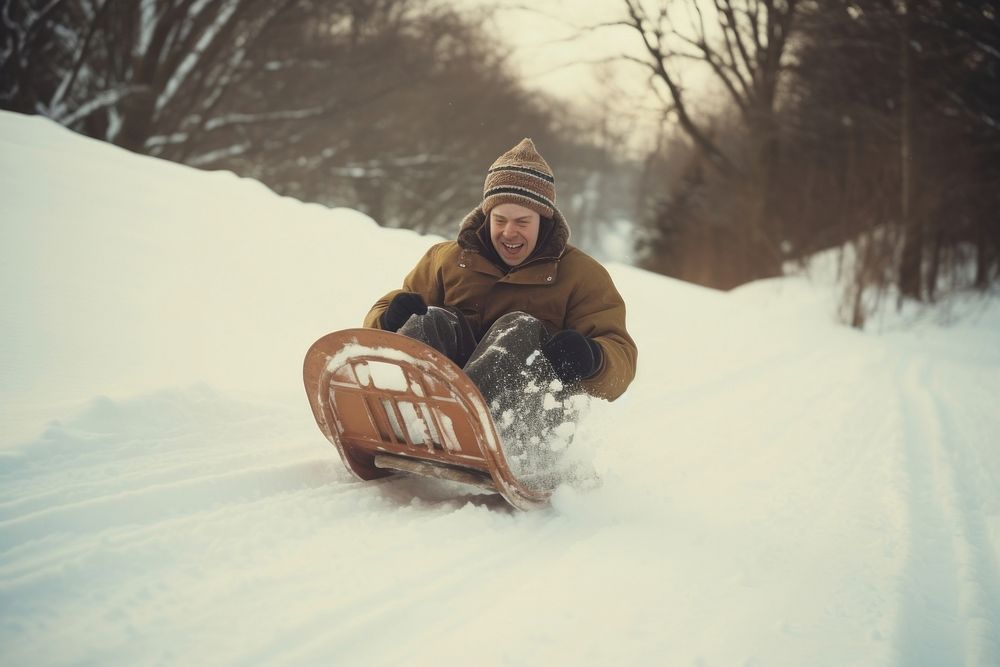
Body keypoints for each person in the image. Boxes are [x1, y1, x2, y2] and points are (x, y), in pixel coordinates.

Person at [363, 138, 637, 475]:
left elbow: (621, 359)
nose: (509, 232)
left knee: (519, 327)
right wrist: (390, 316)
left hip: (527, 424)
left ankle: (468, 430)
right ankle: (407, 421)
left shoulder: (582, 276)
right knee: (429, 319)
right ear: (486, 216)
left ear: (544, 220)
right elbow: (383, 319)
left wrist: (592, 357)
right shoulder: (447, 260)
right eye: (500, 219)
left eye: (522, 222)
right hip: (437, 418)